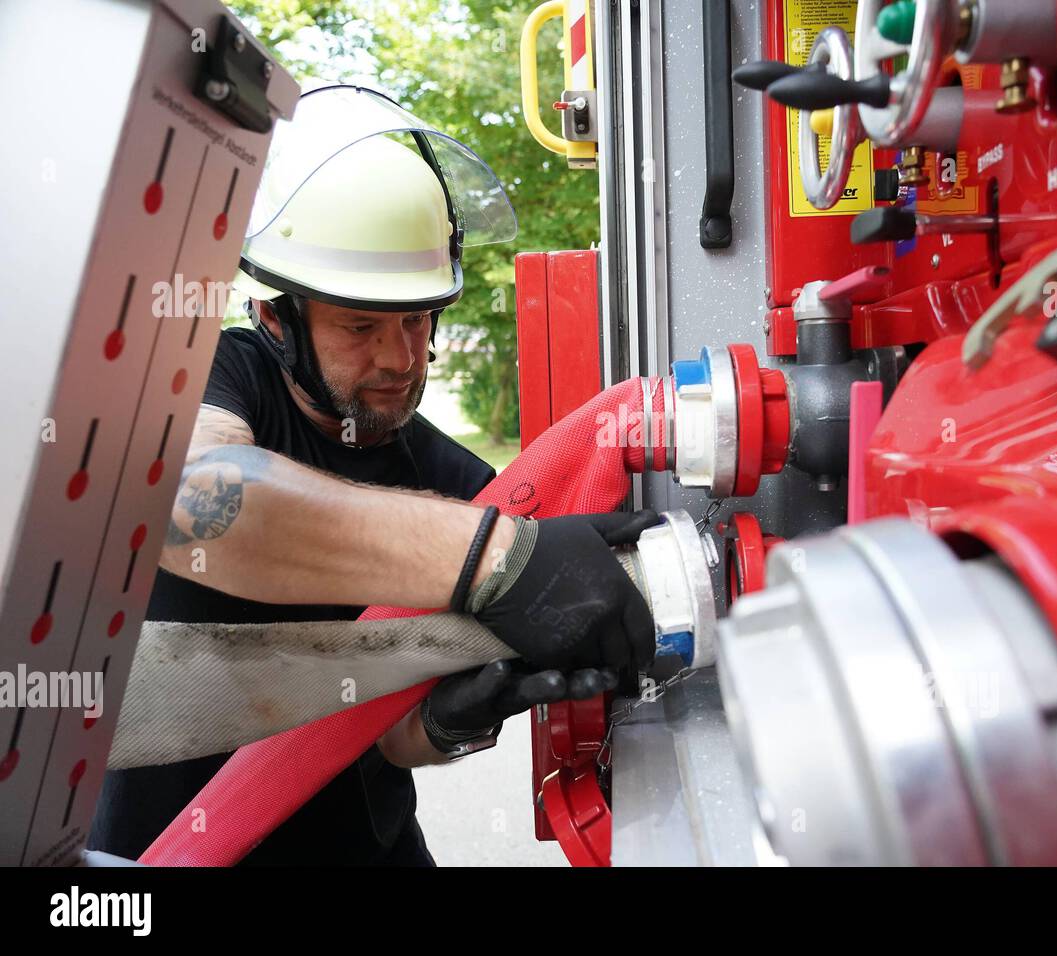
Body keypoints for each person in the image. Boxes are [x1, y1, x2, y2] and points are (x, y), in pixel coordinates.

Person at [88, 85, 656, 865]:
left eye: (417, 321)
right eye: (360, 326)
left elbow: (387, 739)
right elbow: (188, 501)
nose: (400, 359)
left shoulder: (458, 483)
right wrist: (498, 558)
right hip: (156, 852)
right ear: (278, 319)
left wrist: (447, 725)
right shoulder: (215, 376)